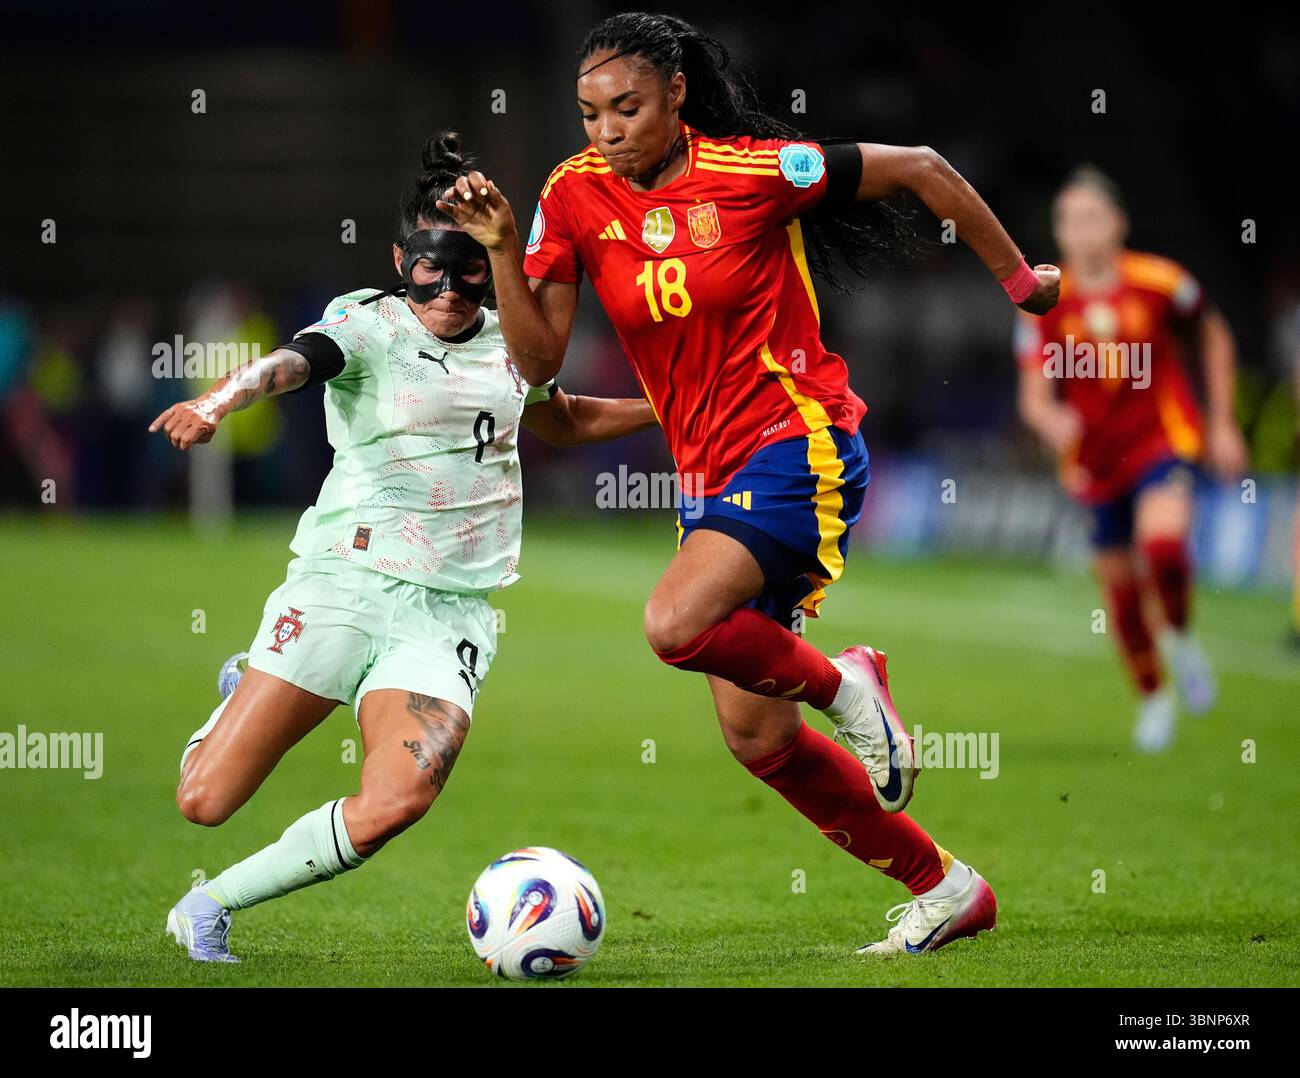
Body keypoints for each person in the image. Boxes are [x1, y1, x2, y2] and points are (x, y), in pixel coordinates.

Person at [435, 12, 1059, 955]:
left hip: (796, 440)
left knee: (672, 624)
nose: (607, 131)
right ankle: (947, 888)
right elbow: (537, 363)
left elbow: (925, 168)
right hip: (706, 481)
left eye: (628, 108)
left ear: (677, 95)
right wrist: (498, 245)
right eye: (590, 113)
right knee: (759, 740)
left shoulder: (757, 173)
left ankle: (849, 685)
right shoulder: (571, 195)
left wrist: (1021, 286)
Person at [151, 132, 656, 962]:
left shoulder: (512, 342)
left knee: (397, 799)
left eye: (471, 267)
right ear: (399, 257)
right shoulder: (368, 323)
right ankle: (243, 683)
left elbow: (559, 419)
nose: (452, 289)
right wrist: (218, 401)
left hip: (447, 613)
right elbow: (291, 361)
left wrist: (671, 408)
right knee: (202, 802)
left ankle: (209, 905)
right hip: (344, 582)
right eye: (431, 266)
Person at [1016, 166, 1248, 752]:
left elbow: (1214, 332)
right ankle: (1153, 697)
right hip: (1093, 462)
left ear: (1118, 223)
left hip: (1161, 441)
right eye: (1068, 220)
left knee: (1163, 546)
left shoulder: (1160, 281)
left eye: (1092, 216)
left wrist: (1221, 420)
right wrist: (1049, 420)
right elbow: (1034, 396)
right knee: (1119, 594)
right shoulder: (1044, 298)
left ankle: (1180, 633)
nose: (1081, 230)